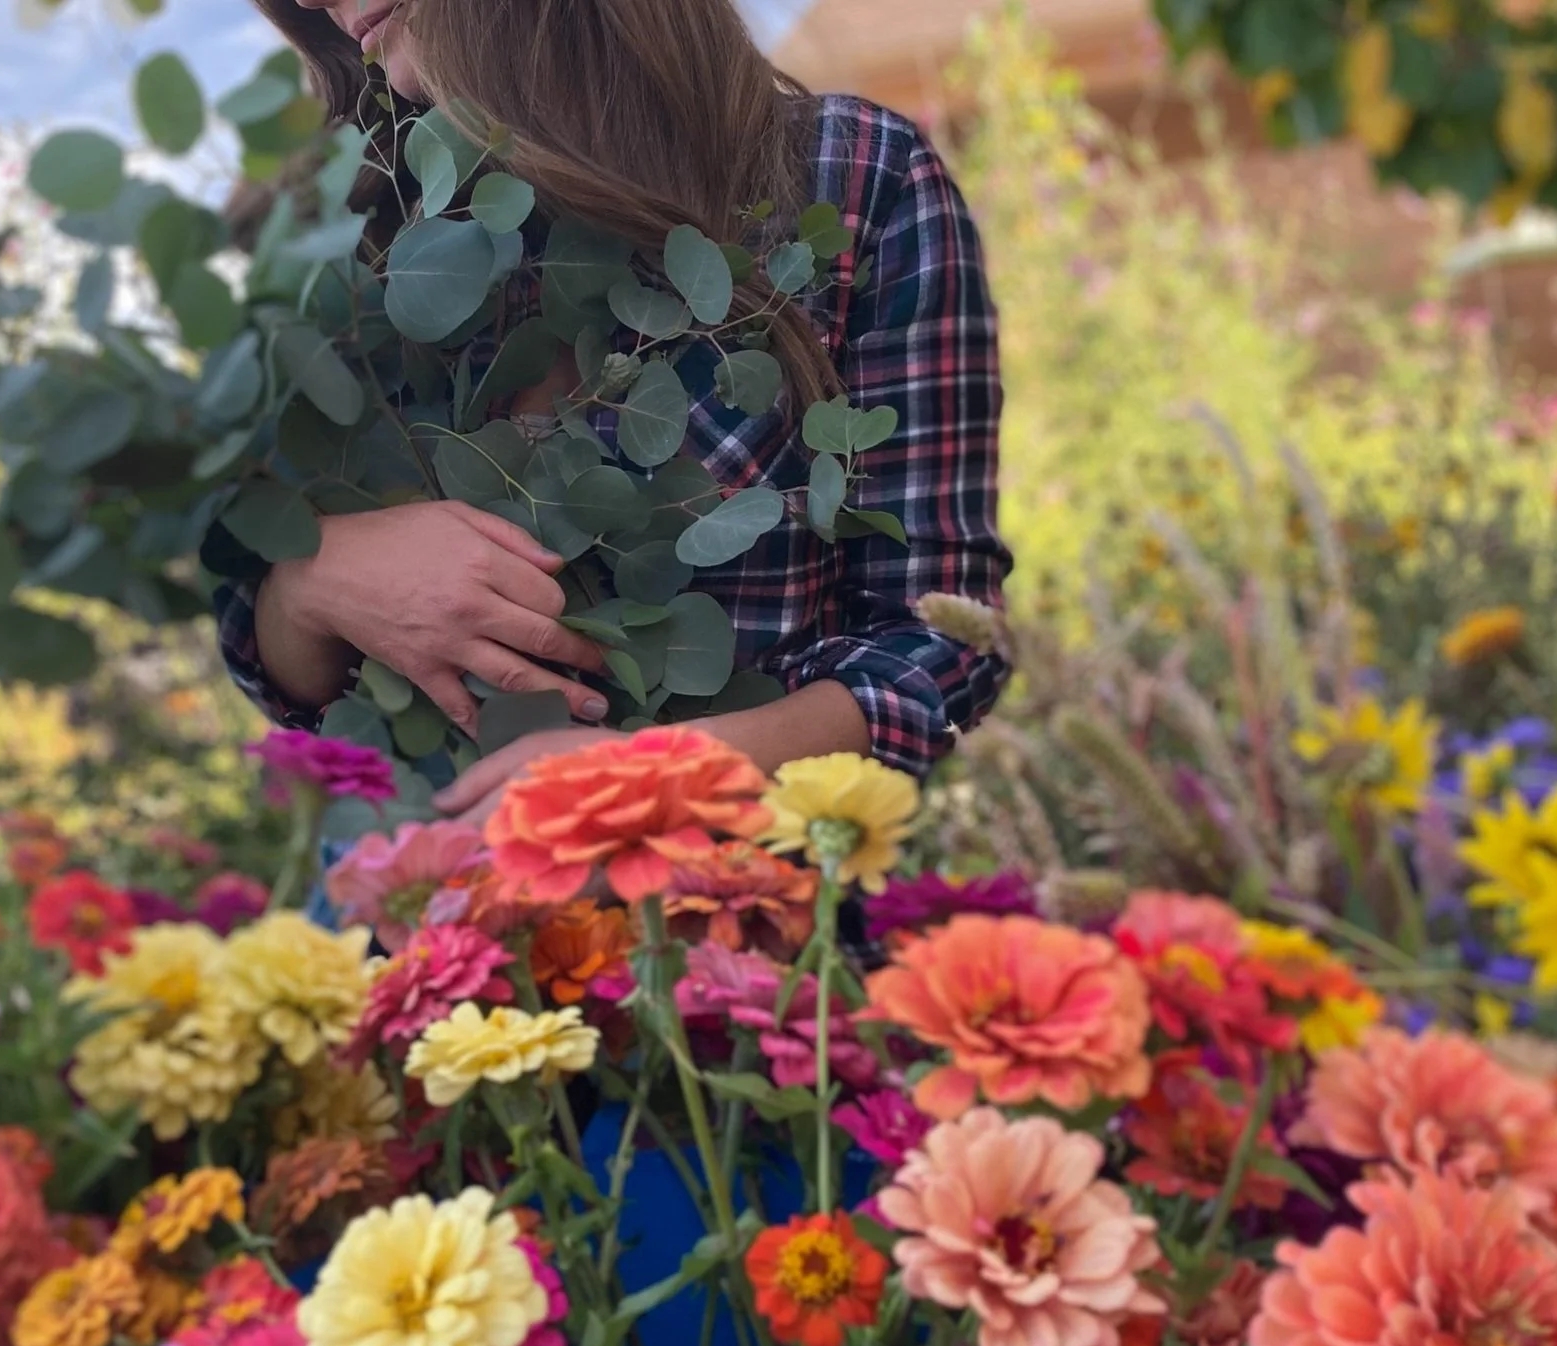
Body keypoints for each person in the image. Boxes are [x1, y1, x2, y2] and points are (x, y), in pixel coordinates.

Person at [217, 0, 1012, 824]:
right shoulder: (352, 249)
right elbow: (296, 681)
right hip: (425, 928)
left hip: (754, 913)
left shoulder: (851, 179)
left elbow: (943, 644)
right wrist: (313, 578)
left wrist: (663, 780)